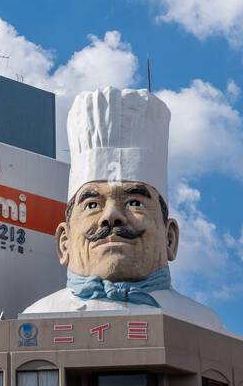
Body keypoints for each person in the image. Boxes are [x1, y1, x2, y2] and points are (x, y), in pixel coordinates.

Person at [22, 86, 228, 332]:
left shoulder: (203, 325)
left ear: (170, 238)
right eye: (92, 205)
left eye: (135, 203)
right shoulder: (35, 321)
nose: (111, 217)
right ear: (64, 242)